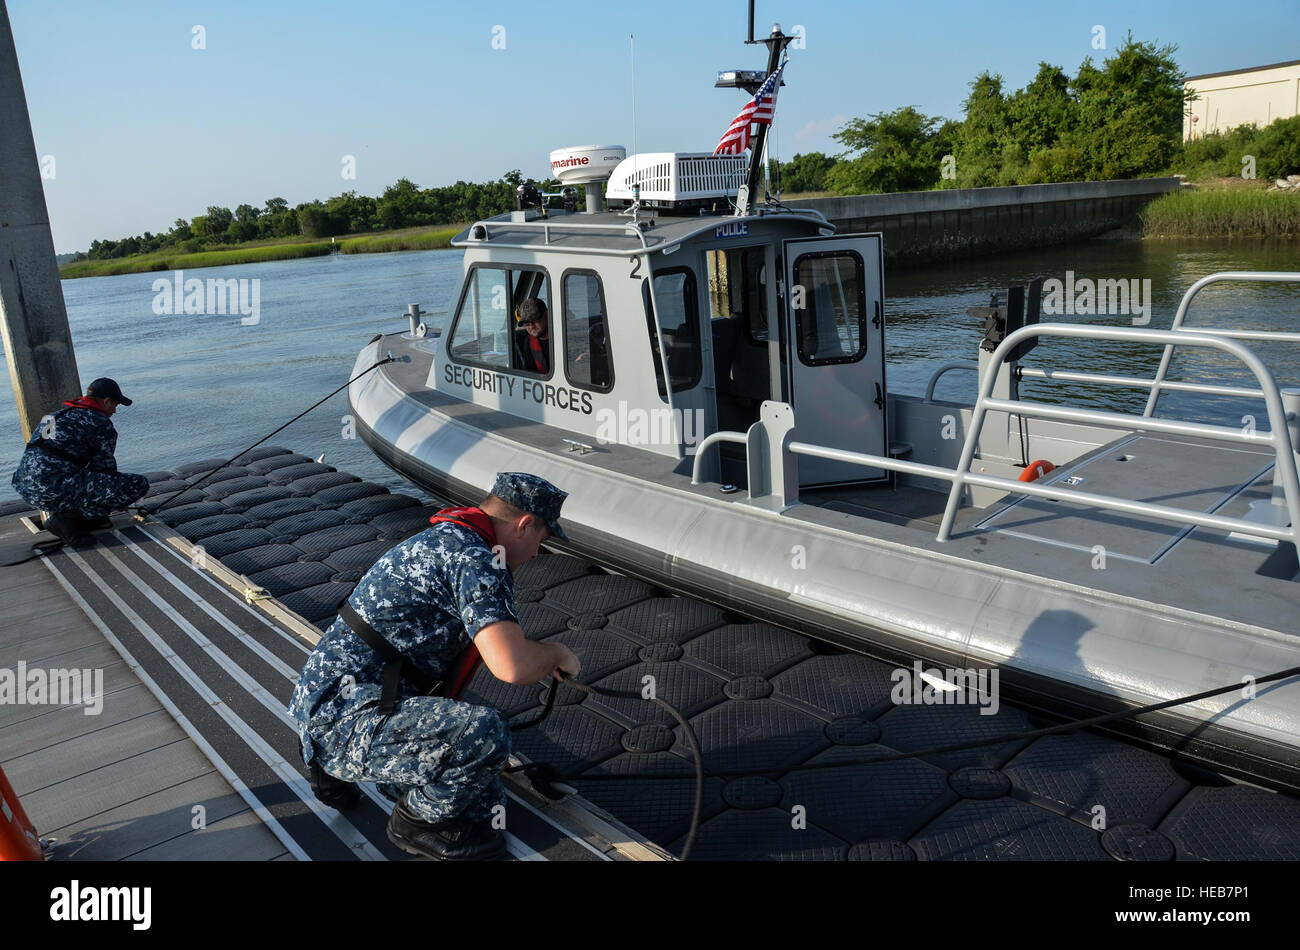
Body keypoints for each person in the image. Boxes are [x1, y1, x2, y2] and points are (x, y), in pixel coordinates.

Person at [289, 472, 581, 861]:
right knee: (485, 733)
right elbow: (511, 666)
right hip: (348, 717)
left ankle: (328, 764)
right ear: (525, 525)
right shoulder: (479, 558)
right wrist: (558, 653)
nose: (534, 556)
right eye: (541, 543)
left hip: (331, 702)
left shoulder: (445, 537)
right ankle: (416, 823)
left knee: (482, 802)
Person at [10, 377, 150, 544]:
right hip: (52, 489)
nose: (114, 411)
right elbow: (105, 470)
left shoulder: (55, 416)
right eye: (115, 405)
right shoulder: (100, 424)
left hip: (25, 487)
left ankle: (83, 518)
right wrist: (117, 500)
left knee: (81, 478)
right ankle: (68, 521)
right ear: (106, 401)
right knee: (137, 483)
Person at [512, 298, 551, 374]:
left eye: (534, 320)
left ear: (546, 315)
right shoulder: (529, 342)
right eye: (526, 323)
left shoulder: (563, 336)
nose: (531, 326)